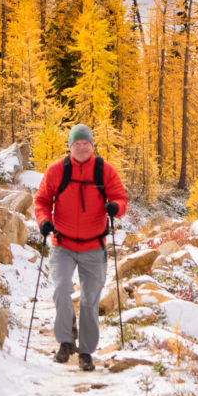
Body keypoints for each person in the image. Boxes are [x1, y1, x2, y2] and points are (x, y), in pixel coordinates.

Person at [33, 124, 128, 371]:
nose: (82, 148)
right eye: (77, 144)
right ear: (70, 146)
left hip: (94, 246)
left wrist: (115, 208)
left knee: (89, 300)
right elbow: (42, 200)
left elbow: (121, 197)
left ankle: (86, 351)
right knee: (62, 290)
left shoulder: (104, 170)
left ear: (92, 146)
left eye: (86, 144)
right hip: (62, 243)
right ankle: (66, 342)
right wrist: (44, 221)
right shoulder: (57, 170)